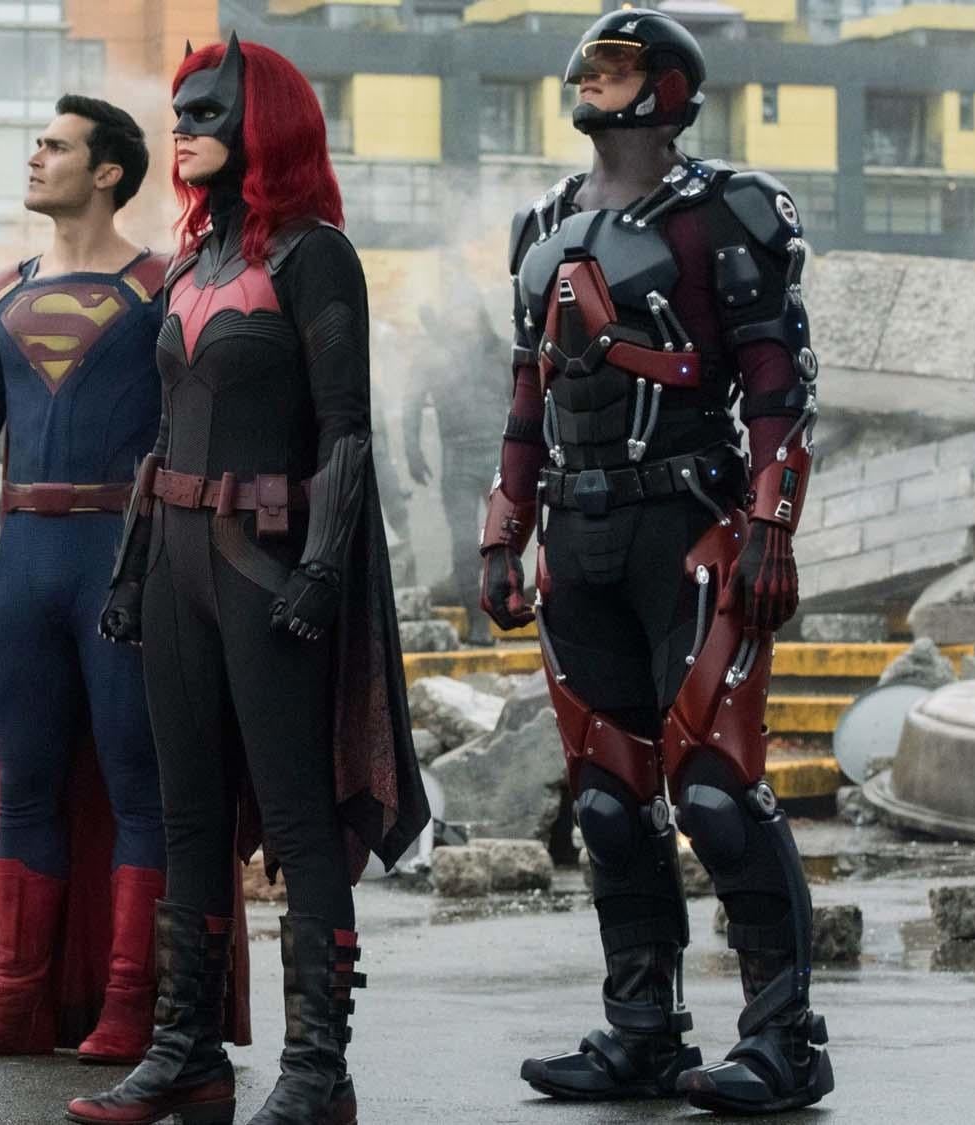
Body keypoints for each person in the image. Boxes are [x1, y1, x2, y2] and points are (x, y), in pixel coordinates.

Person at [69, 35, 429, 1125]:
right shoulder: (189, 264)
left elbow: (346, 430)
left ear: (263, 123)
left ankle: (317, 1069)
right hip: (177, 563)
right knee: (187, 815)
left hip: (266, 565)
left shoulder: (315, 256)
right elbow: (163, 434)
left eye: (206, 112)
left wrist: (319, 570)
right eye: (178, 110)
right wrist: (131, 568)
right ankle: (187, 1052)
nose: (181, 129)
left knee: (298, 817)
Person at [481, 10, 831, 1114]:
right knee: (604, 800)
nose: (591, 78)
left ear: (668, 87)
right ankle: (641, 1031)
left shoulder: (729, 208)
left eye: (617, 63)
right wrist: (502, 531)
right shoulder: (542, 221)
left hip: (690, 530)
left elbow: (779, 385)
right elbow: (528, 390)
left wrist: (771, 529)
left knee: (717, 792)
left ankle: (785, 1042)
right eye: (588, 63)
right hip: (576, 535)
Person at [0, 95, 175, 1064]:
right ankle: (17, 1000)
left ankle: (130, 1004)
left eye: (56, 146)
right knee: (24, 778)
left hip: (124, 557)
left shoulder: (162, 289)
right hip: (24, 557)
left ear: (107, 171)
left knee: (137, 781)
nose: (35, 156)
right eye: (36, 142)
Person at [401, 265, 509, 646]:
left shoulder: (501, 352)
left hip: (498, 455)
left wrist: (529, 455)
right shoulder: (435, 355)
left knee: (503, 541)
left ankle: (501, 605)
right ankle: (478, 623)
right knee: (464, 543)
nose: (463, 316)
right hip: (457, 457)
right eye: (457, 309)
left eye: (468, 308)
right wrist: (412, 450)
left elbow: (525, 401)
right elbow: (411, 402)